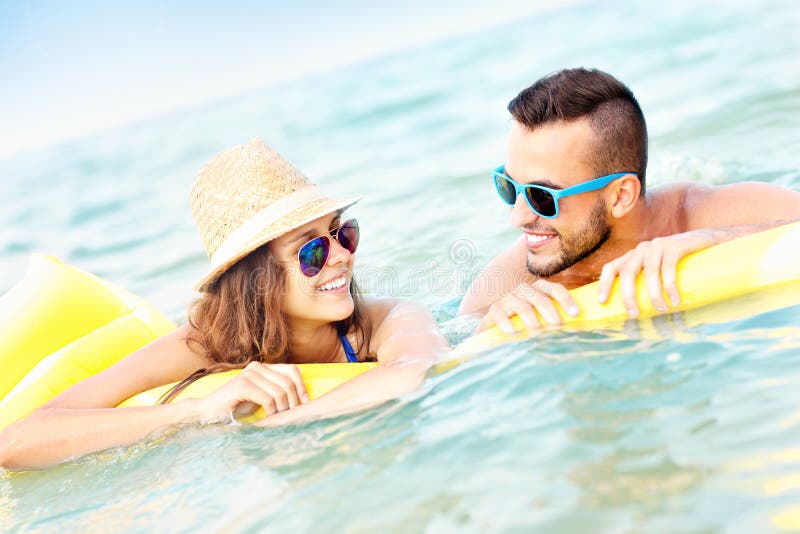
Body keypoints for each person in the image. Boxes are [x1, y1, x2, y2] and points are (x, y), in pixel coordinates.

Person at [0, 139, 448, 470]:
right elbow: (18, 441)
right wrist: (199, 411)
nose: (343, 255)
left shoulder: (385, 320)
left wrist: (262, 425)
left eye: (342, 232)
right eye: (311, 252)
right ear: (256, 279)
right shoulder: (207, 344)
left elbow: (414, 370)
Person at [459, 68, 800, 332]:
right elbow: (450, 350)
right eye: (509, 186)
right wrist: (487, 327)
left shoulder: (698, 214)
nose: (517, 218)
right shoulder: (515, 276)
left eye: (541, 197)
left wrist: (712, 240)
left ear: (621, 196)